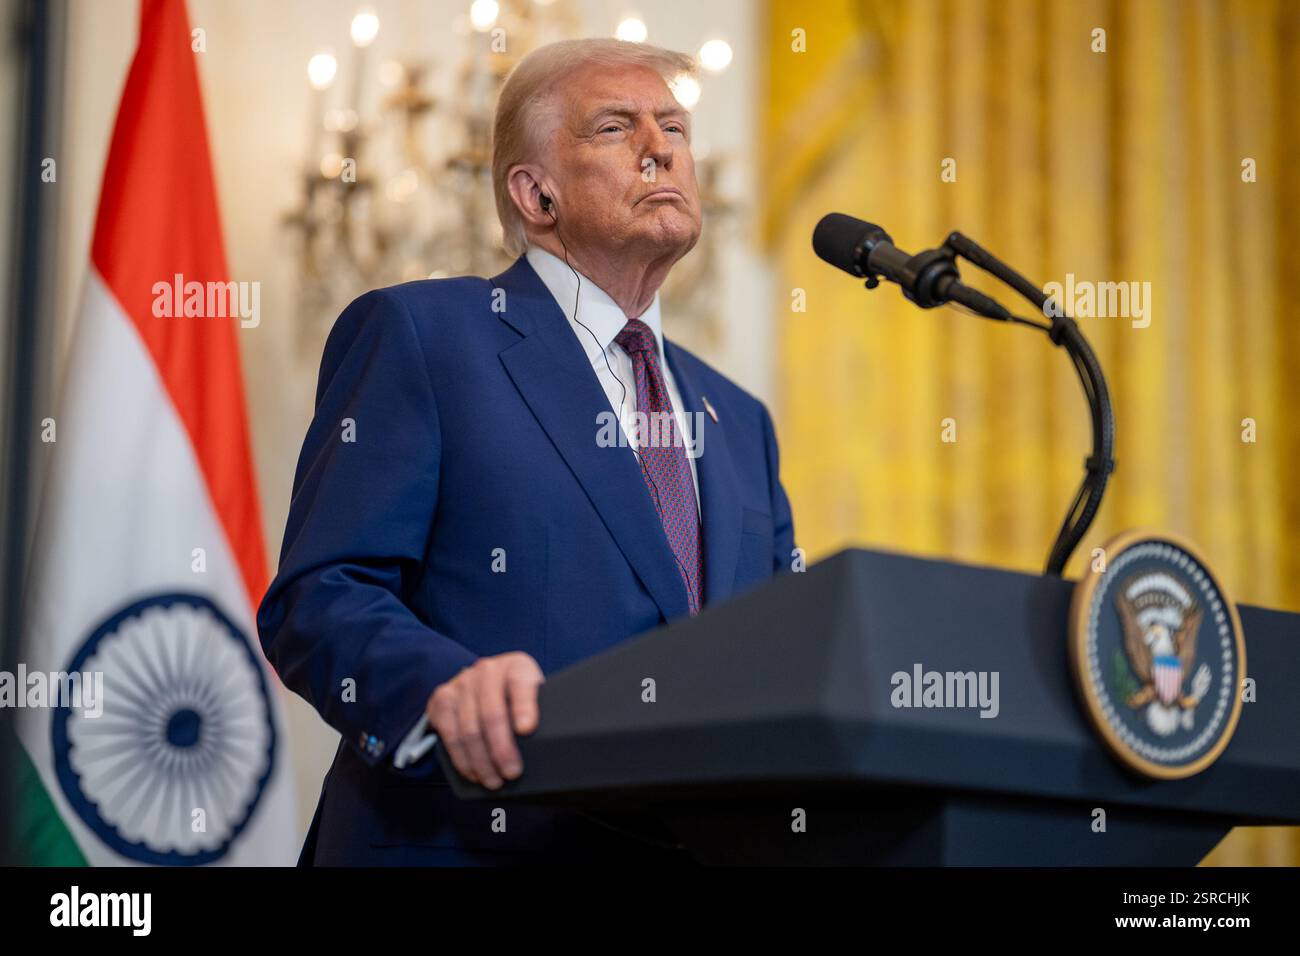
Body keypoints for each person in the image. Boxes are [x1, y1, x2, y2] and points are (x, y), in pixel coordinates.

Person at [258, 37, 796, 865]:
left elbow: (776, 648)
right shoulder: (424, 336)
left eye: (675, 128)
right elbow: (320, 596)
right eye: (617, 128)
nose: (662, 147)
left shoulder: (740, 419)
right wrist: (439, 688)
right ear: (536, 192)